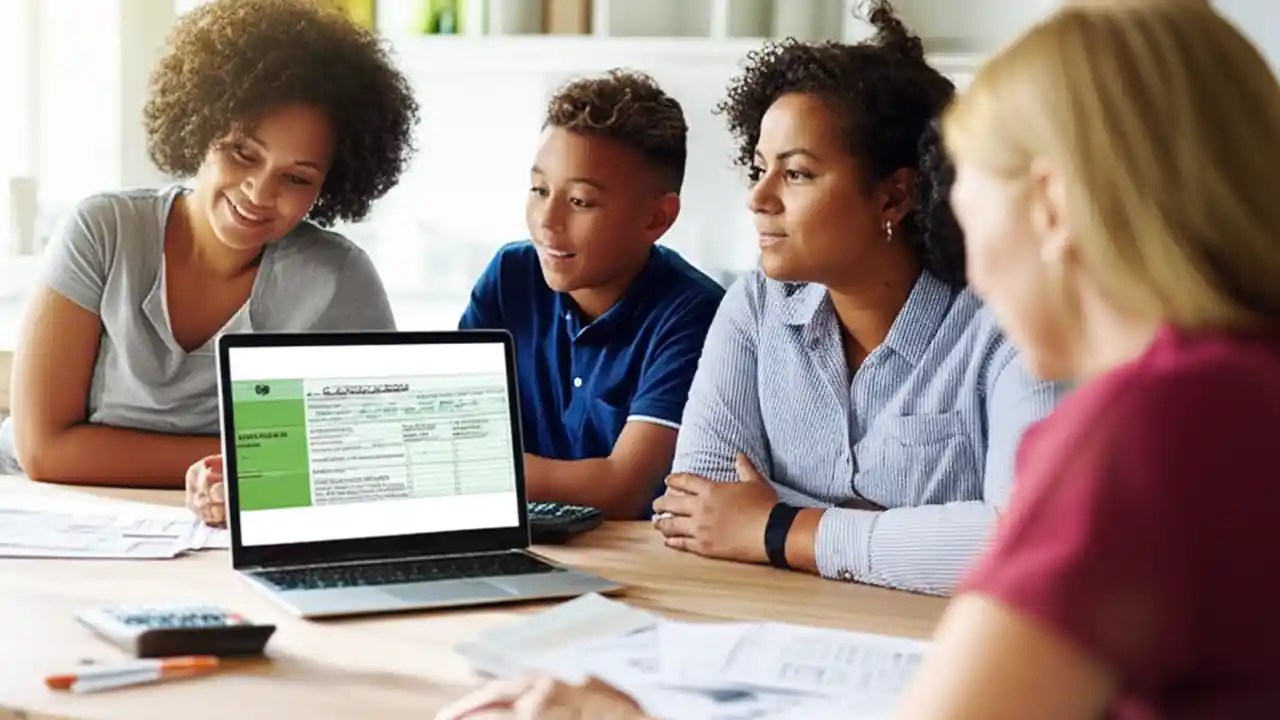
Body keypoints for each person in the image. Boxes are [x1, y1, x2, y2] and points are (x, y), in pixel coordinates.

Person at [437, 1, 1280, 718]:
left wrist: (770, 534)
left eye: (966, 193)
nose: (959, 237)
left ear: (1050, 206)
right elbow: (699, 504)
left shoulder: (1146, 427)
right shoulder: (1233, 389)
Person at [650, 1, 1057, 595]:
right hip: (784, 627)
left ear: (895, 197)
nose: (758, 198)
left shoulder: (1008, 322)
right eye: (759, 169)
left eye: (797, 174)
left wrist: (777, 526)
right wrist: (917, 538)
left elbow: (1027, 540)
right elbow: (698, 507)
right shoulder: (756, 306)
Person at [1, 0, 418, 493]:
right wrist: (243, 466)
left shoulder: (338, 280)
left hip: (206, 526)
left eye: (297, 178)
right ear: (201, 125)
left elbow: (371, 451)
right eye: (243, 153)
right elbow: (43, 450)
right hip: (47, 512)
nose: (259, 193)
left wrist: (242, 478)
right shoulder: (103, 231)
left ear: (329, 185)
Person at [457, 70, 725, 519]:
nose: (548, 221)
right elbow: (453, 432)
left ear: (656, 218)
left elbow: (623, 488)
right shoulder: (510, 276)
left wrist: (475, 472)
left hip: (633, 552)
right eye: (540, 190)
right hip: (518, 537)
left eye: (580, 201)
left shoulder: (695, 316)